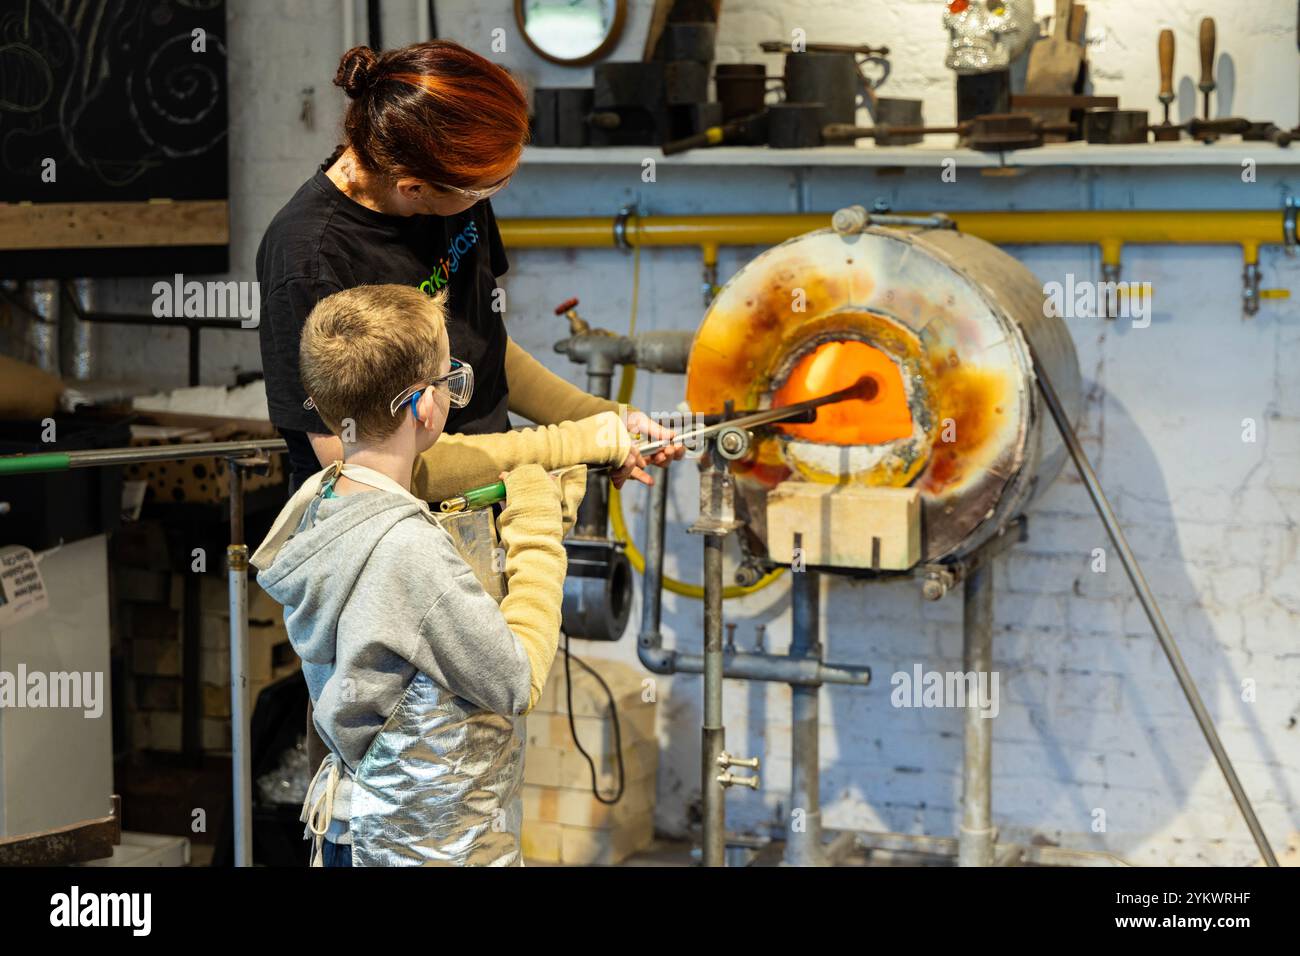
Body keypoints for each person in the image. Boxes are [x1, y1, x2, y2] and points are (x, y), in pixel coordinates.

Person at [252, 284, 625, 867]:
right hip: (428, 848)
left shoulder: (322, 501)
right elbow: (514, 680)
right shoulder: (408, 551)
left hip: (361, 832)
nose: (453, 388)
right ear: (427, 407)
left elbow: (434, 469)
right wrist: (538, 531)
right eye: (449, 377)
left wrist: (586, 440)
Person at [256, 39, 681, 497]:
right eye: (484, 189)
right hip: (391, 531)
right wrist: (571, 444)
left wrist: (604, 419)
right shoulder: (310, 260)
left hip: (485, 494)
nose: (491, 195)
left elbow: (483, 344)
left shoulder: (450, 189)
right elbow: (357, 470)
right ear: (413, 187)